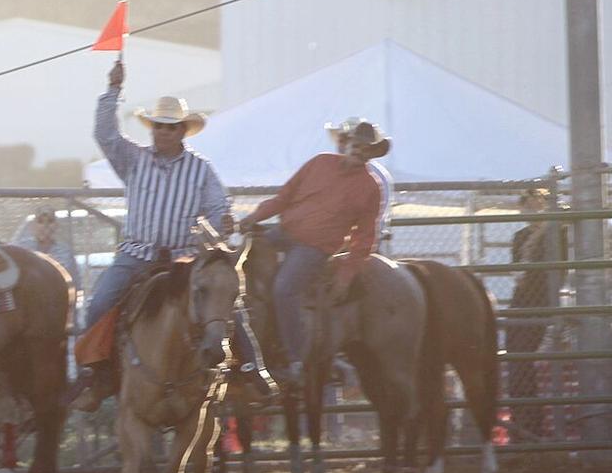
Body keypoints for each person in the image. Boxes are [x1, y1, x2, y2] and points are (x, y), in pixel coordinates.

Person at [68, 61, 233, 412]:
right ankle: (98, 376)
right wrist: (112, 92)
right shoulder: (134, 159)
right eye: (158, 126)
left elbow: (218, 206)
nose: (162, 132)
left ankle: (246, 370)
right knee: (97, 305)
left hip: (182, 259)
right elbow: (105, 136)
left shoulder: (201, 170)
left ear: (183, 132)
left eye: (170, 127)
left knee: (226, 304)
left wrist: (222, 226)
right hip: (135, 254)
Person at [237, 121, 389, 387]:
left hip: (314, 248)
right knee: (241, 266)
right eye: (357, 145)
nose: (360, 152)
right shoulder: (320, 163)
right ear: (346, 143)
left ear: (371, 153)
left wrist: (345, 275)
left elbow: (364, 238)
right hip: (285, 232)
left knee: (284, 289)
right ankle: (243, 345)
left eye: (366, 149)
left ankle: (296, 358)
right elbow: (285, 196)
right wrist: (254, 218)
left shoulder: (370, 187)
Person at [507, 185, 567, 436]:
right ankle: (523, 425)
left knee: (523, 358)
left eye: (535, 202)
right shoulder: (521, 236)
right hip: (522, 301)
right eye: (526, 203)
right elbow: (518, 273)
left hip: (541, 300)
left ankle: (531, 425)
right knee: (516, 359)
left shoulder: (557, 233)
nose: (530, 207)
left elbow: (557, 271)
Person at [327, 117, 396, 245]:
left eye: (347, 141)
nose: (341, 145)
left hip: (358, 239)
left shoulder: (373, 175)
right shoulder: (337, 170)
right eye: (341, 140)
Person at [12, 210, 81, 282]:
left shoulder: (65, 252)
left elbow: (75, 280)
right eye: (40, 222)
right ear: (33, 226)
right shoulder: (22, 249)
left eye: (50, 221)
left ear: (56, 225)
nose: (45, 225)